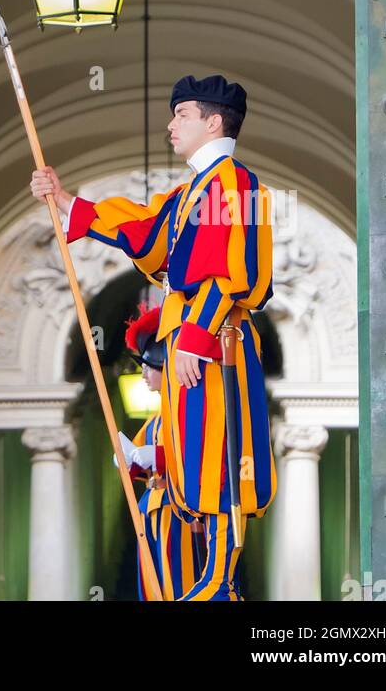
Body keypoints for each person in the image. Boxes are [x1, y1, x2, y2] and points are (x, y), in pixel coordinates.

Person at [31, 73, 276, 601]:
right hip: (197, 343)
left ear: (213, 122)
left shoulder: (236, 184)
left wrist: (191, 337)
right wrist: (68, 200)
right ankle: (211, 575)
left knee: (221, 458)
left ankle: (218, 575)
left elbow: (231, 272)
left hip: (216, 345)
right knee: (194, 456)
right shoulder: (191, 191)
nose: (171, 125)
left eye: (181, 115)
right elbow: (144, 231)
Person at [115, 305, 202, 601]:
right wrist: (129, 461)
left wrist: (160, 457)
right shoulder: (154, 421)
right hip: (150, 507)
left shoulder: (186, 414)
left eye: (147, 367)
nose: (143, 375)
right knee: (152, 587)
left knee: (178, 581)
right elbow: (138, 468)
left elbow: (198, 456)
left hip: (178, 507)